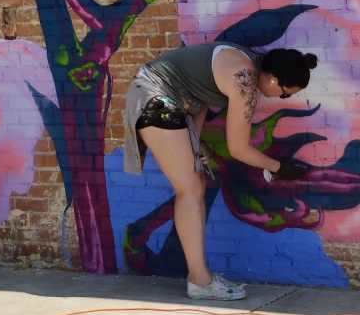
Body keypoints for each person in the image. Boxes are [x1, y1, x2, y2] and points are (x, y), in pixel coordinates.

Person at [123, 42, 316, 301]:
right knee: (190, 189)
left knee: (196, 186)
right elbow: (237, 149)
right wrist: (279, 168)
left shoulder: (248, 60)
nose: (281, 99)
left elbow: (198, 95)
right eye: (284, 94)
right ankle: (200, 282)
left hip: (166, 98)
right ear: (272, 80)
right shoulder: (245, 81)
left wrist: (194, 145)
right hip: (154, 96)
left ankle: (200, 278)